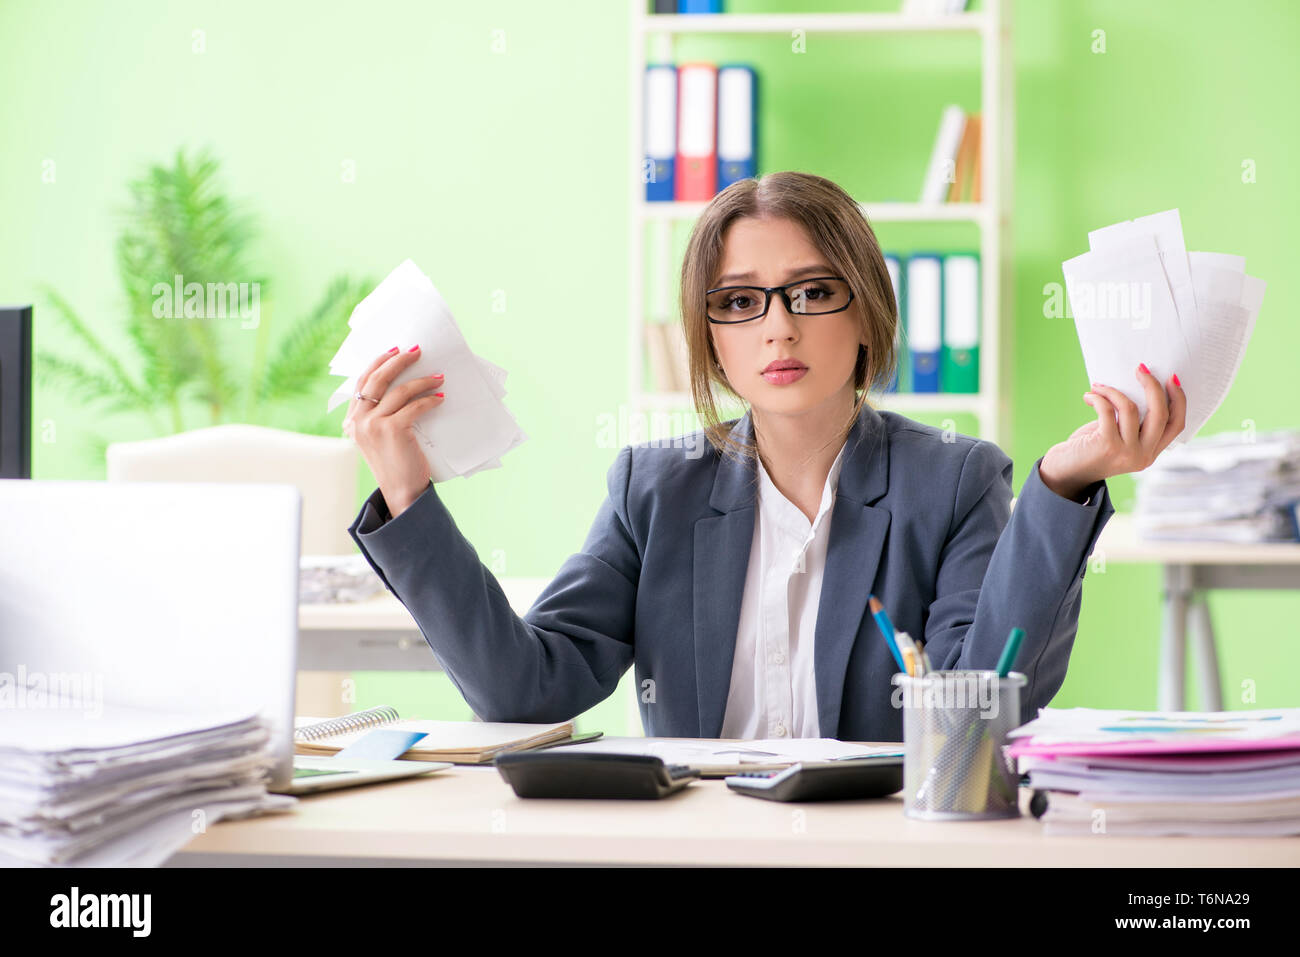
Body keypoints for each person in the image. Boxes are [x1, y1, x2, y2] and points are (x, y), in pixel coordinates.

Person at [342, 171, 1186, 741]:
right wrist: (408, 496)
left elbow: (981, 706)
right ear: (709, 334)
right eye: (740, 301)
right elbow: (527, 691)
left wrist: (1064, 482)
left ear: (868, 312)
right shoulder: (653, 488)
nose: (778, 326)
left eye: (813, 292)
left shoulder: (954, 479)